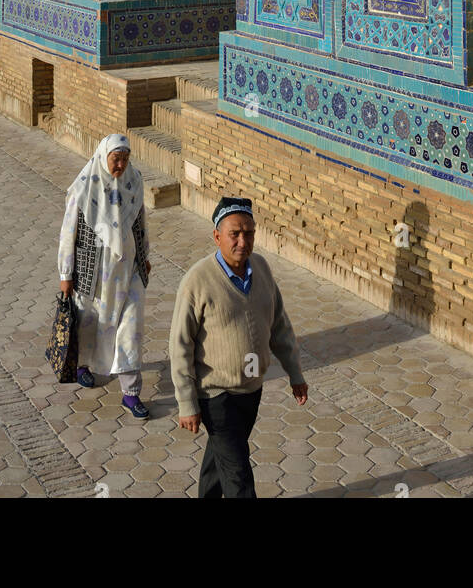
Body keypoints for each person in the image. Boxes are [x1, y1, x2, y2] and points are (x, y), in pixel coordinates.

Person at [169, 196, 308, 497]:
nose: (243, 241)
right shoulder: (197, 281)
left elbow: (279, 325)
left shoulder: (261, 269)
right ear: (217, 236)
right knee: (239, 477)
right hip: (216, 394)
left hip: (251, 390)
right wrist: (186, 403)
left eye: (249, 233)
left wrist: (295, 373)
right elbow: (180, 346)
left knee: (221, 461)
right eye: (235, 233)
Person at [58, 133, 151, 418]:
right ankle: (84, 364)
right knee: (90, 322)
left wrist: (145, 257)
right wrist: (65, 273)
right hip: (93, 273)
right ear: (103, 157)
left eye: (125, 158)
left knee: (130, 330)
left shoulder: (133, 182)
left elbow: (141, 221)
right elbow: (68, 232)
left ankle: (130, 392)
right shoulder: (85, 188)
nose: (121, 164)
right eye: (115, 158)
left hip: (128, 272)